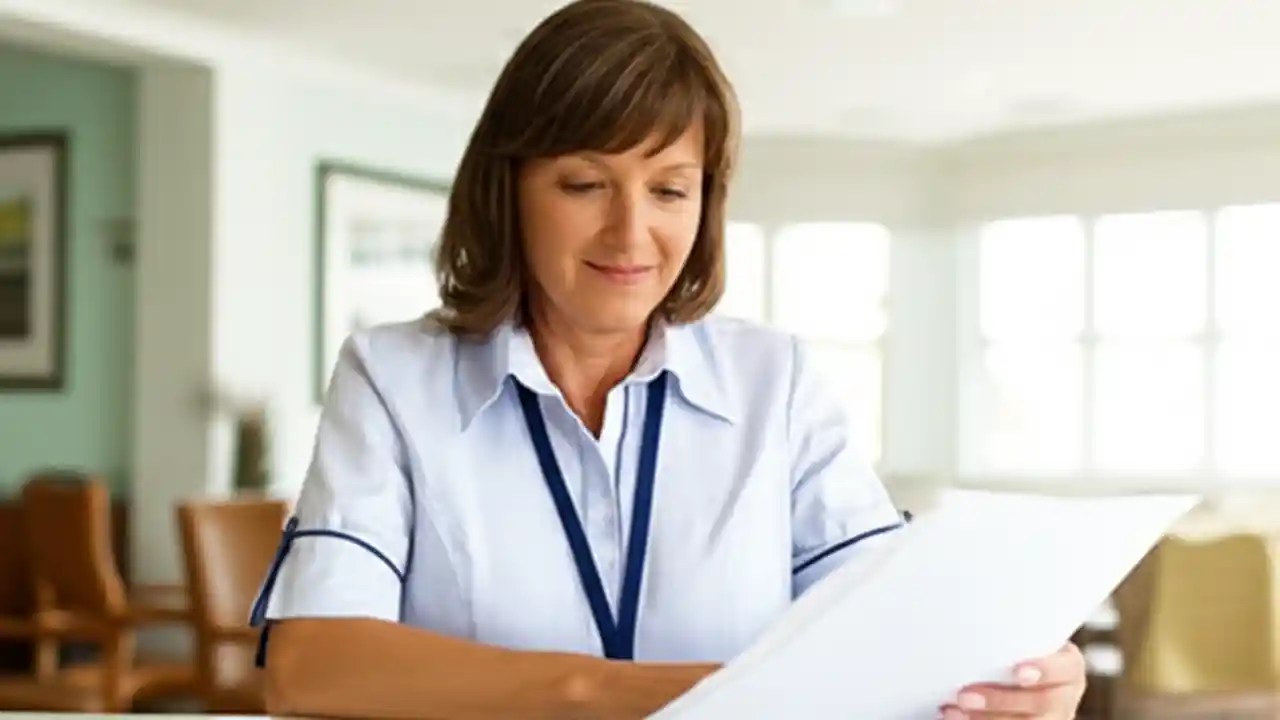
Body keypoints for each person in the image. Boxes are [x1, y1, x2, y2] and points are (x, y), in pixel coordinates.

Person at [250, 0, 1087, 717]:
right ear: (508, 191)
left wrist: (1030, 676)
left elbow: (884, 632)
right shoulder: (393, 378)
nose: (631, 233)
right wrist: (621, 694)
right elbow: (313, 663)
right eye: (584, 184)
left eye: (669, 189)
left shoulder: (776, 383)